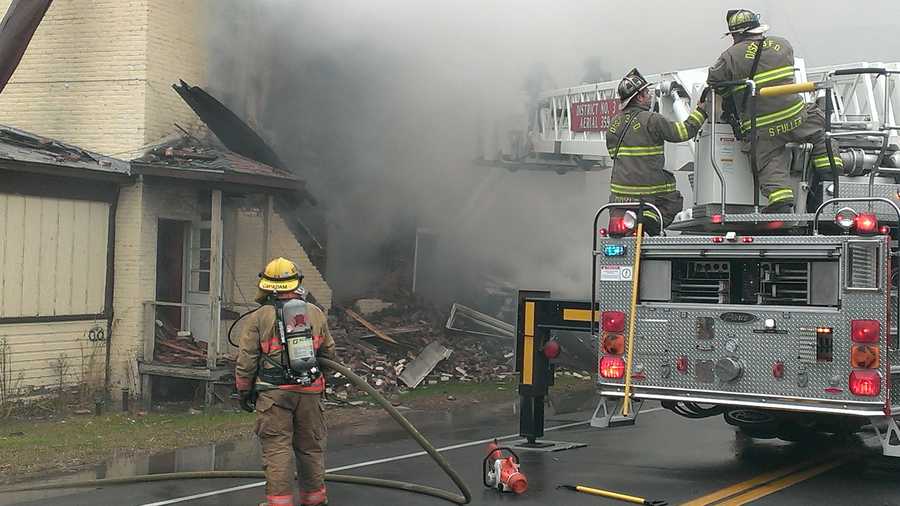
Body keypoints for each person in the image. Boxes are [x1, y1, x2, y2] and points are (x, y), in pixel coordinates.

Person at [707, 9, 843, 213]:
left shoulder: (730, 56)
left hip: (762, 125)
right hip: (795, 116)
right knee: (818, 127)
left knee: (768, 159)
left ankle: (781, 199)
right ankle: (829, 169)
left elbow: (715, 83)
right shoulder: (783, 44)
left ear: (735, 34)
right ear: (757, 28)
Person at [236, 257, 336, 506]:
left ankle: (279, 504)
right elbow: (329, 354)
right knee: (310, 448)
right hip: (310, 392)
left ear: (267, 285)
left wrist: (244, 391)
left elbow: (247, 359)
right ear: (297, 283)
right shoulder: (314, 313)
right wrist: (321, 381)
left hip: (274, 395)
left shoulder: (260, 317)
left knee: (277, 449)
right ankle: (314, 500)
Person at [607, 68, 708, 234]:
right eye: (646, 93)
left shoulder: (613, 124)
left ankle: (638, 221)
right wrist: (701, 111)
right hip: (648, 196)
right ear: (639, 97)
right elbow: (683, 132)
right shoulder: (652, 120)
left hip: (618, 198)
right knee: (675, 201)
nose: (649, 96)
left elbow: (613, 153)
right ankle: (649, 216)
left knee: (619, 235)